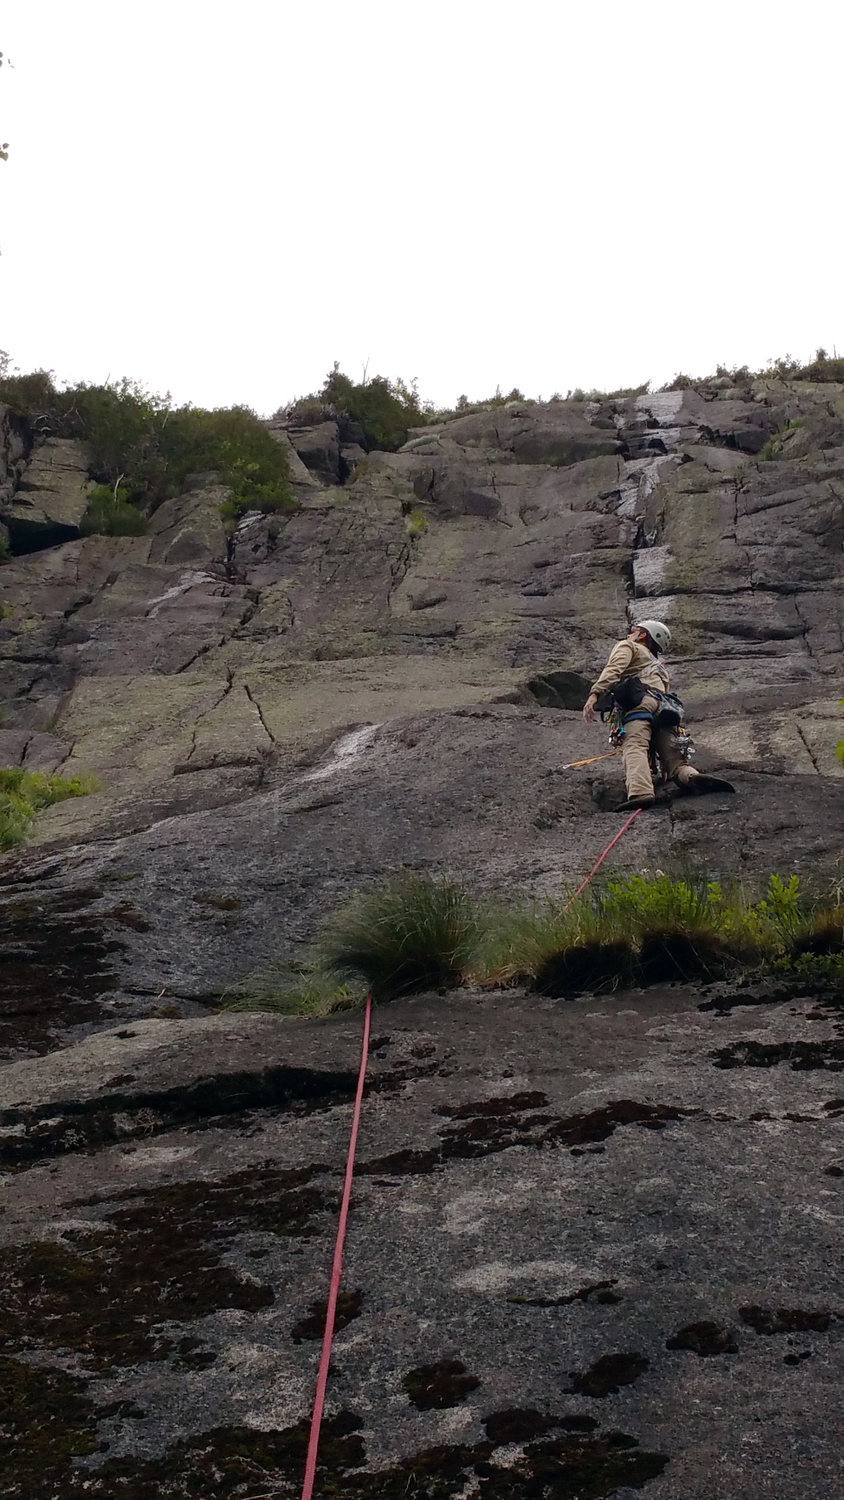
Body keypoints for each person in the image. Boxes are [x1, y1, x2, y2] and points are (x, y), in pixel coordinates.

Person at [582, 619, 735, 810]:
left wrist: (594, 694)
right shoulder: (660, 668)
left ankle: (640, 792)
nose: (630, 633)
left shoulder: (628, 646)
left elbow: (614, 669)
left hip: (640, 704)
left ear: (644, 634)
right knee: (673, 756)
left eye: (634, 630)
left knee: (635, 745)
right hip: (665, 708)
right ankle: (689, 776)